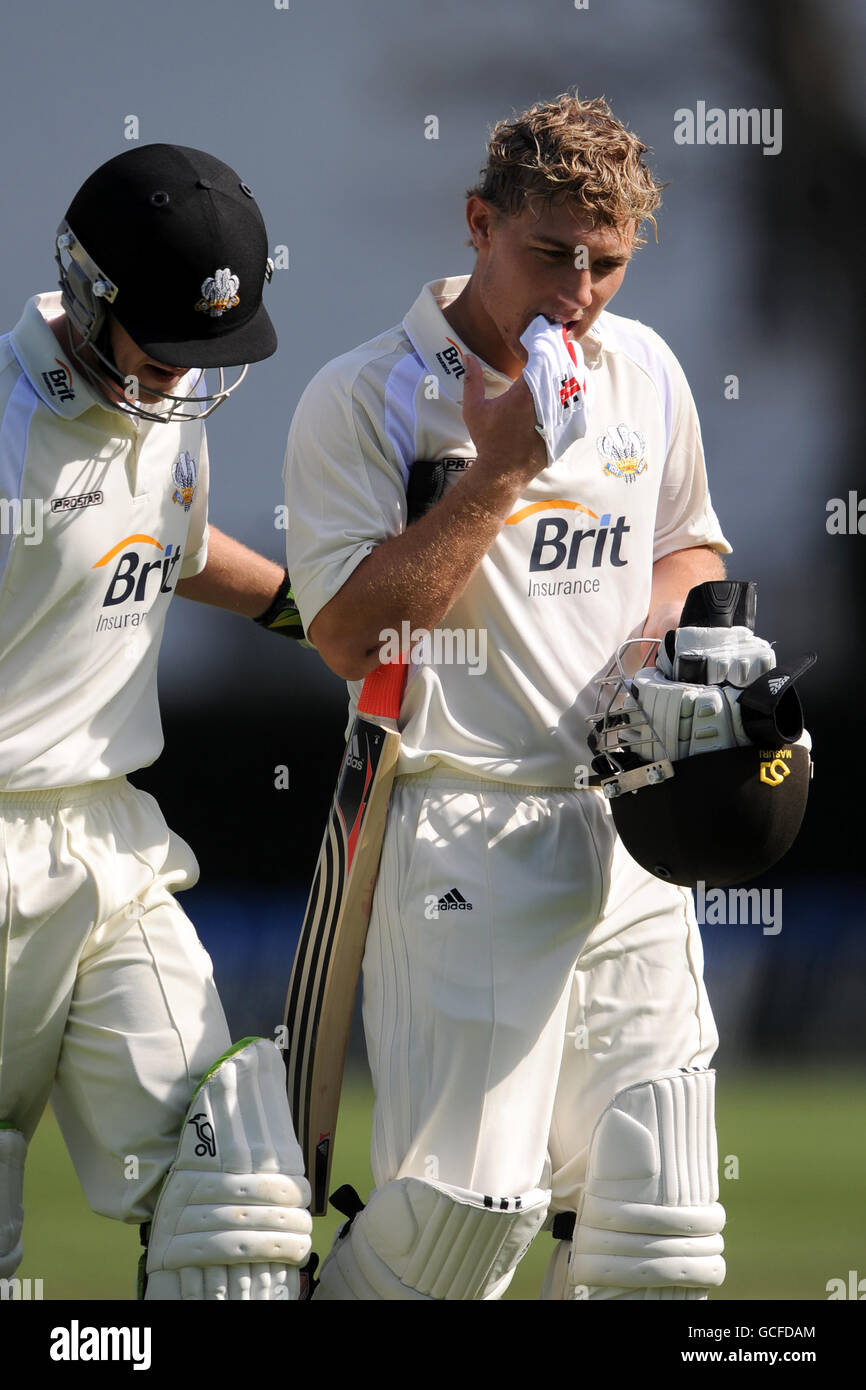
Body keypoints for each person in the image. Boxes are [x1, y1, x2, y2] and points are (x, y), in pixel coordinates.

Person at [283, 93, 733, 1301]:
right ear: (479, 222)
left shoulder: (641, 365)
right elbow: (344, 635)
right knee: (459, 1227)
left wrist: (670, 648)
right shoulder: (361, 394)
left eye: (608, 263)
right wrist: (502, 467)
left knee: (659, 1229)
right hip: (459, 827)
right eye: (550, 255)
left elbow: (686, 546)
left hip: (627, 822)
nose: (579, 292)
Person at [0, 143, 311, 1301]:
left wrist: (315, 614)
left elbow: (166, 548)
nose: (183, 378)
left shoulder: (163, 405)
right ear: (87, 295)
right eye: (169, 347)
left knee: (234, 1192)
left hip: (112, 845)